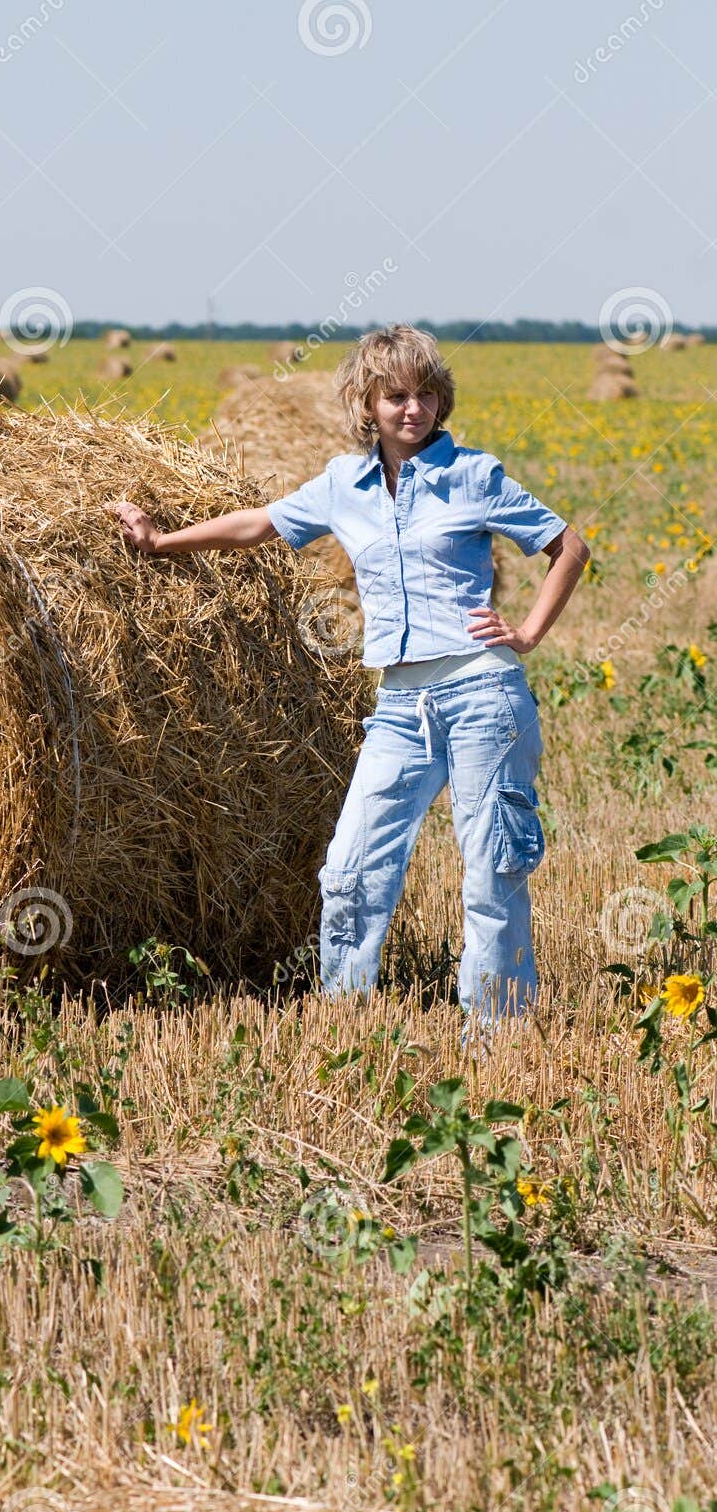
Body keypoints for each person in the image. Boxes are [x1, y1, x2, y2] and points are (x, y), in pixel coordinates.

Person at [109, 323, 590, 1048]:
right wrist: (159, 541)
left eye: (425, 394)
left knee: (491, 869)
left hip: (481, 694)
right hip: (398, 704)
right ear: (366, 401)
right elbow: (257, 525)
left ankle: (495, 1038)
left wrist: (525, 633)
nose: (412, 409)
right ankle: (343, 1026)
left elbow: (568, 547)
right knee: (350, 869)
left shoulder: (473, 475)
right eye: (395, 394)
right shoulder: (343, 485)